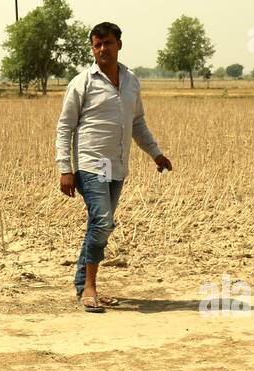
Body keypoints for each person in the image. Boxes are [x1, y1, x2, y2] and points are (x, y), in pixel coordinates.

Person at [55, 22, 173, 314]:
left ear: (119, 44)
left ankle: (83, 284)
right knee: (103, 222)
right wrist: (65, 168)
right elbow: (65, 127)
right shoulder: (82, 82)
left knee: (98, 224)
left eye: (107, 43)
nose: (102, 49)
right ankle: (90, 289)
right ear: (92, 49)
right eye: (97, 45)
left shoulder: (132, 81)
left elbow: (137, 123)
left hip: (115, 166)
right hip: (91, 164)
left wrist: (155, 154)